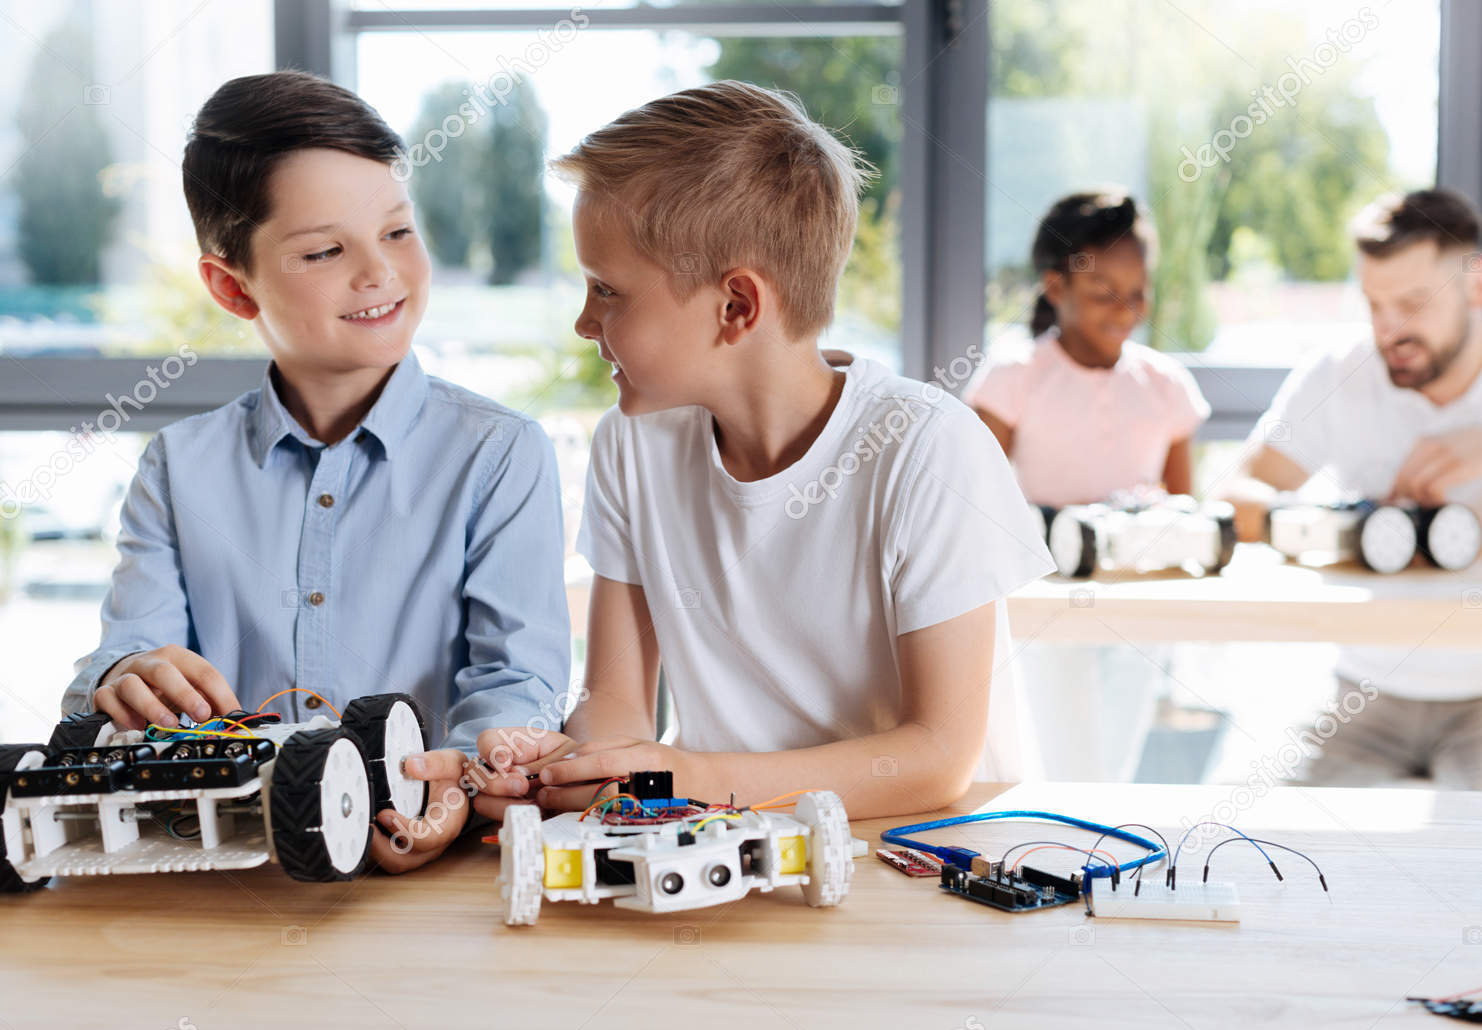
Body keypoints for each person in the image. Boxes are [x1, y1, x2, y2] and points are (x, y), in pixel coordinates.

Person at [472, 81, 1052, 822]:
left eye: (608, 290)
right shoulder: (632, 442)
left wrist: (683, 775)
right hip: (725, 845)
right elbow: (616, 701)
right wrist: (571, 766)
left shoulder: (926, 448)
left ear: (737, 306)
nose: (586, 322)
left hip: (923, 858)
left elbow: (936, 759)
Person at [62, 71, 572, 870]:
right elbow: (122, 659)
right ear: (233, 287)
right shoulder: (178, 469)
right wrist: (126, 674)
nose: (380, 273)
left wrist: (459, 789)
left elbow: (520, 682)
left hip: (431, 870)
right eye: (326, 250)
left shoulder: (498, 452)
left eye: (398, 232)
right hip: (234, 872)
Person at [1223, 187, 1482, 790]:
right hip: (1364, 689)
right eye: (1374, 304)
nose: (1388, 328)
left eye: (1412, 303)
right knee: (1247, 835)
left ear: (1478, 285)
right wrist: (1341, 524)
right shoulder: (1341, 370)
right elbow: (1237, 495)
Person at [968, 190, 1210, 506]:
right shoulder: (1012, 378)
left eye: (1138, 292)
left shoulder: (1166, 382)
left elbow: (1183, 515)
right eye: (1103, 294)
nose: (1125, 310)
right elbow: (978, 506)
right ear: (1055, 287)